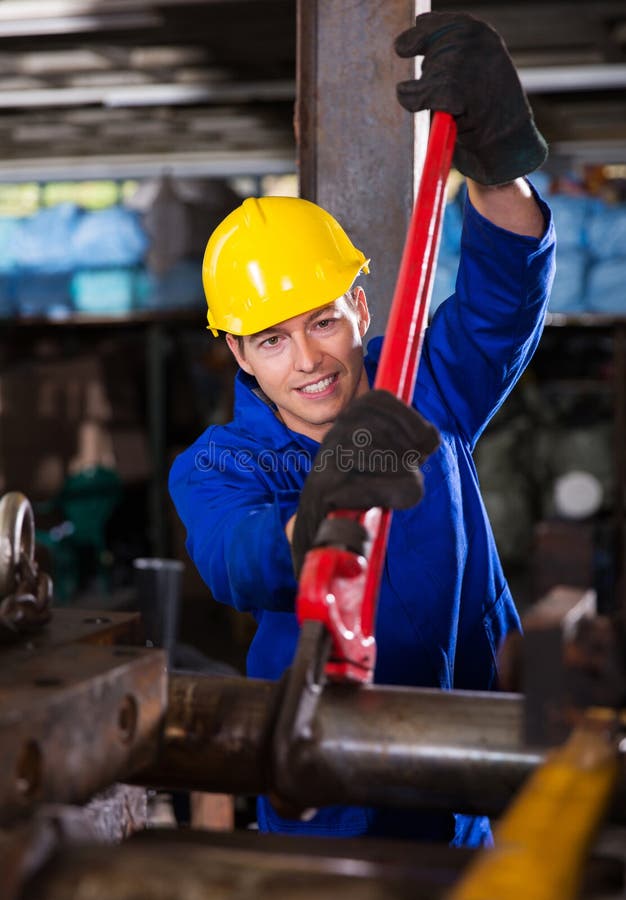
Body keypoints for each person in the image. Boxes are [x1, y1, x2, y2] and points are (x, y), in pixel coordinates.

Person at [169, 12, 556, 846]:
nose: (308, 359)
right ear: (237, 353)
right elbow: (236, 559)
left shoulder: (421, 386)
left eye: (323, 323)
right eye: (271, 340)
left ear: (361, 308)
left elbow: (503, 299)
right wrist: (317, 516)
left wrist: (503, 166)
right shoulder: (222, 463)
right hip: (330, 794)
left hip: (471, 767)